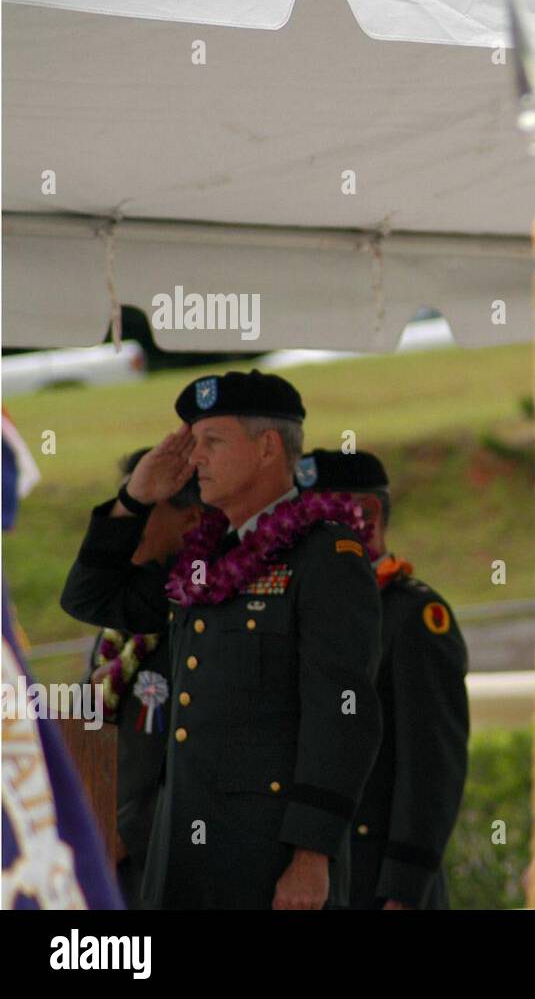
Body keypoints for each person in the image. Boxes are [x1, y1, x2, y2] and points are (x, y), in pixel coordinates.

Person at [60, 370, 383, 909]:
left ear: (266, 447)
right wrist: (135, 498)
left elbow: (342, 716)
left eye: (212, 442)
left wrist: (311, 857)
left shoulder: (326, 560)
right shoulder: (203, 560)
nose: (196, 460)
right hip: (183, 857)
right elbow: (90, 598)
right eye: (192, 444)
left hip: (268, 861)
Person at [295, 449, 469, 910]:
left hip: (378, 882)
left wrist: (404, 889)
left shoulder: (412, 617)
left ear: (367, 516)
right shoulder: (310, 613)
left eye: (311, 520)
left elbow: (432, 769)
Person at [85, 449, 205, 908]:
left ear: (190, 520)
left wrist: (129, 832)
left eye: (143, 511)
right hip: (109, 863)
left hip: (170, 859)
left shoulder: (200, 619)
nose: (126, 526)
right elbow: (94, 723)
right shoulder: (121, 618)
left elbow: (204, 756)